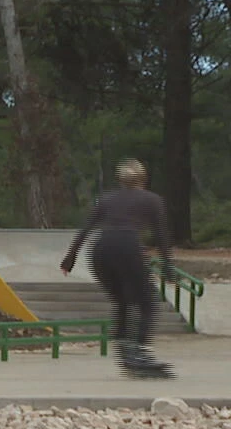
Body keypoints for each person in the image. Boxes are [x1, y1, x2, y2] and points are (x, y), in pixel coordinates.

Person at [60, 159, 175, 378]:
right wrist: (168, 266)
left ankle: (123, 347)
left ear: (120, 180)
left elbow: (86, 228)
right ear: (143, 178)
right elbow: (161, 236)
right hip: (127, 246)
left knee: (122, 301)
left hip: (100, 250)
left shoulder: (106, 199)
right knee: (148, 300)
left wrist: (70, 259)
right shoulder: (152, 200)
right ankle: (139, 349)